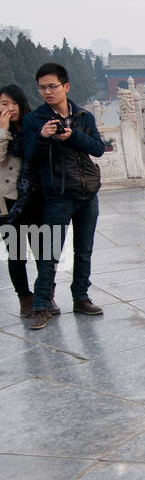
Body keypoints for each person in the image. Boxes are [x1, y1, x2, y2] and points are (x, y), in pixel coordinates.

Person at [22, 62, 106, 330]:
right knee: (49, 253)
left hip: (87, 192)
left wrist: (72, 137)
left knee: (84, 250)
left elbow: (98, 148)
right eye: (42, 88)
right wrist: (42, 136)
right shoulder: (34, 120)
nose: (47, 92)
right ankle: (41, 305)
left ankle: (81, 297)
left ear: (65, 87)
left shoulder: (84, 116)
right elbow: (29, 156)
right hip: (57, 195)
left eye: (52, 86)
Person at [0, 84, 42, 316]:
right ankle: (25, 298)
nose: (10, 108)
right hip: (8, 202)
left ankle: (46, 294)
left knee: (42, 250)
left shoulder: (31, 125)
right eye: (4, 104)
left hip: (35, 197)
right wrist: (2, 130)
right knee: (16, 253)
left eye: (14, 103)